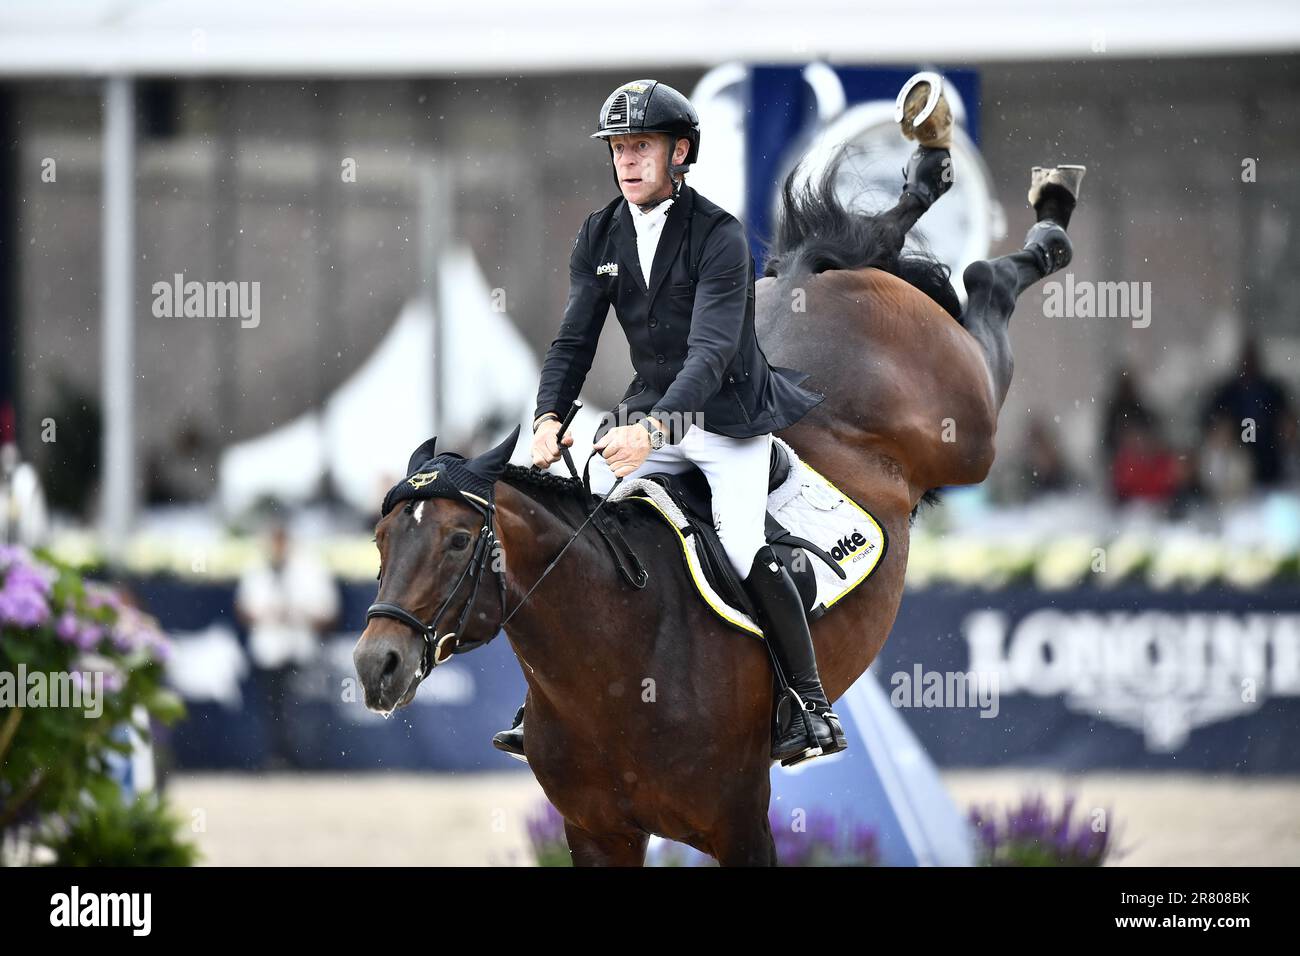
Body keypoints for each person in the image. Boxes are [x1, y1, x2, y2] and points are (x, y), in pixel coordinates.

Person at [492, 78, 954, 766]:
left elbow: (710, 354)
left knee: (740, 544)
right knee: (579, 528)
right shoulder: (600, 234)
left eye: (641, 146)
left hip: (728, 420)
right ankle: (549, 702)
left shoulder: (718, 236)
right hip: (654, 414)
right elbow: (572, 342)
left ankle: (808, 704)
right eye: (619, 147)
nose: (626, 160)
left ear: (681, 152)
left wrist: (649, 433)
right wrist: (547, 417)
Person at [235, 517, 339, 769]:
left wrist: (299, 615)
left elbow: (329, 614)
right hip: (269, 651)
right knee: (273, 710)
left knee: (302, 709)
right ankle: (279, 757)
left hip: (302, 652)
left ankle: (307, 759)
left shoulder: (311, 569)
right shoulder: (255, 570)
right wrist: (267, 614)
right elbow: (242, 610)